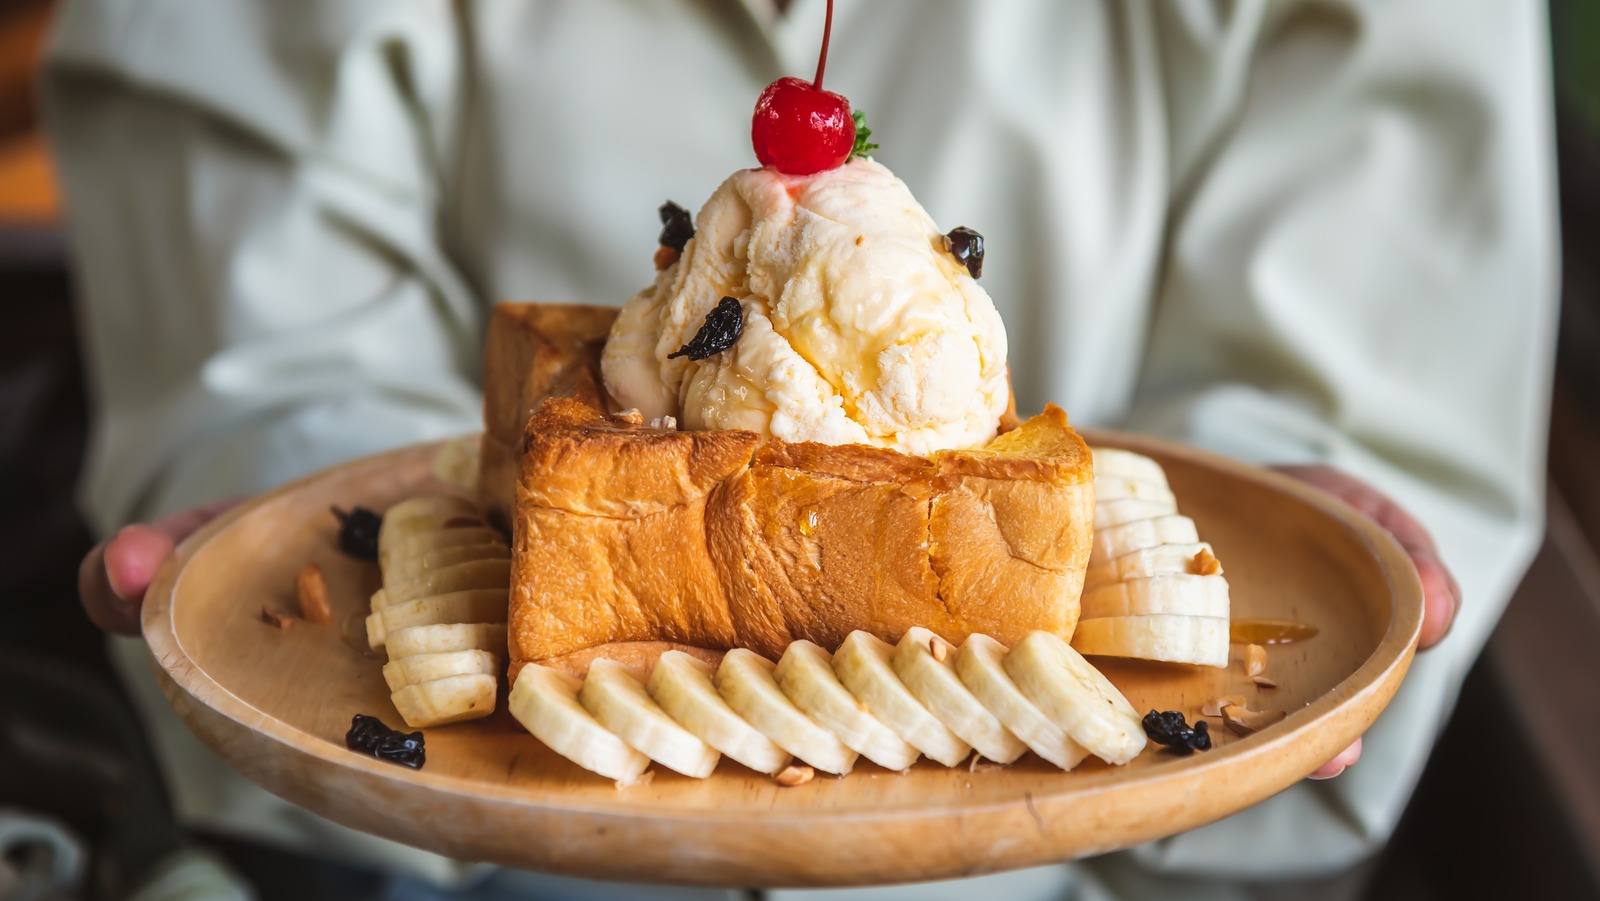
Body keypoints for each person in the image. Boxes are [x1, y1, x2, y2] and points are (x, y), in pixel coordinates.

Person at [44, 1, 1554, 899]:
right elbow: (259, 292)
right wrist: (330, 502)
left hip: (1086, 875)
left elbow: (1368, 305)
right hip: (444, 857)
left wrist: (1259, 519)